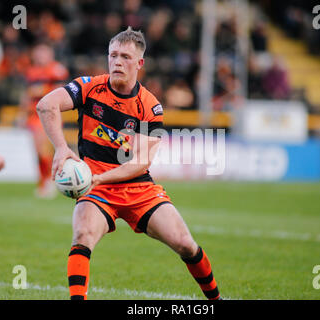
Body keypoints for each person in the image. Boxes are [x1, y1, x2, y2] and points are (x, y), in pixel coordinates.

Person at [36, 27, 221, 300]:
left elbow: (140, 163)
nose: (117, 62)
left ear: (139, 63)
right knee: (83, 235)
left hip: (137, 188)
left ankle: (216, 300)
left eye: (125, 56)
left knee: (185, 244)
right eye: (112, 55)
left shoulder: (151, 106)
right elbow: (45, 105)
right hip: (96, 190)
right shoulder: (88, 87)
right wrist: (61, 149)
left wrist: (97, 178)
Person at [19, 43, 69, 198]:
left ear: (50, 54)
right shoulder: (31, 71)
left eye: (43, 53)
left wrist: (41, 91)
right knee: (38, 150)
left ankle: (50, 180)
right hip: (33, 114)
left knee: (44, 148)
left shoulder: (56, 69)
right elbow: (27, 94)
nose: (40, 56)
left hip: (48, 113)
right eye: (38, 53)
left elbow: (61, 90)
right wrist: (22, 113)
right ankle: (43, 181)